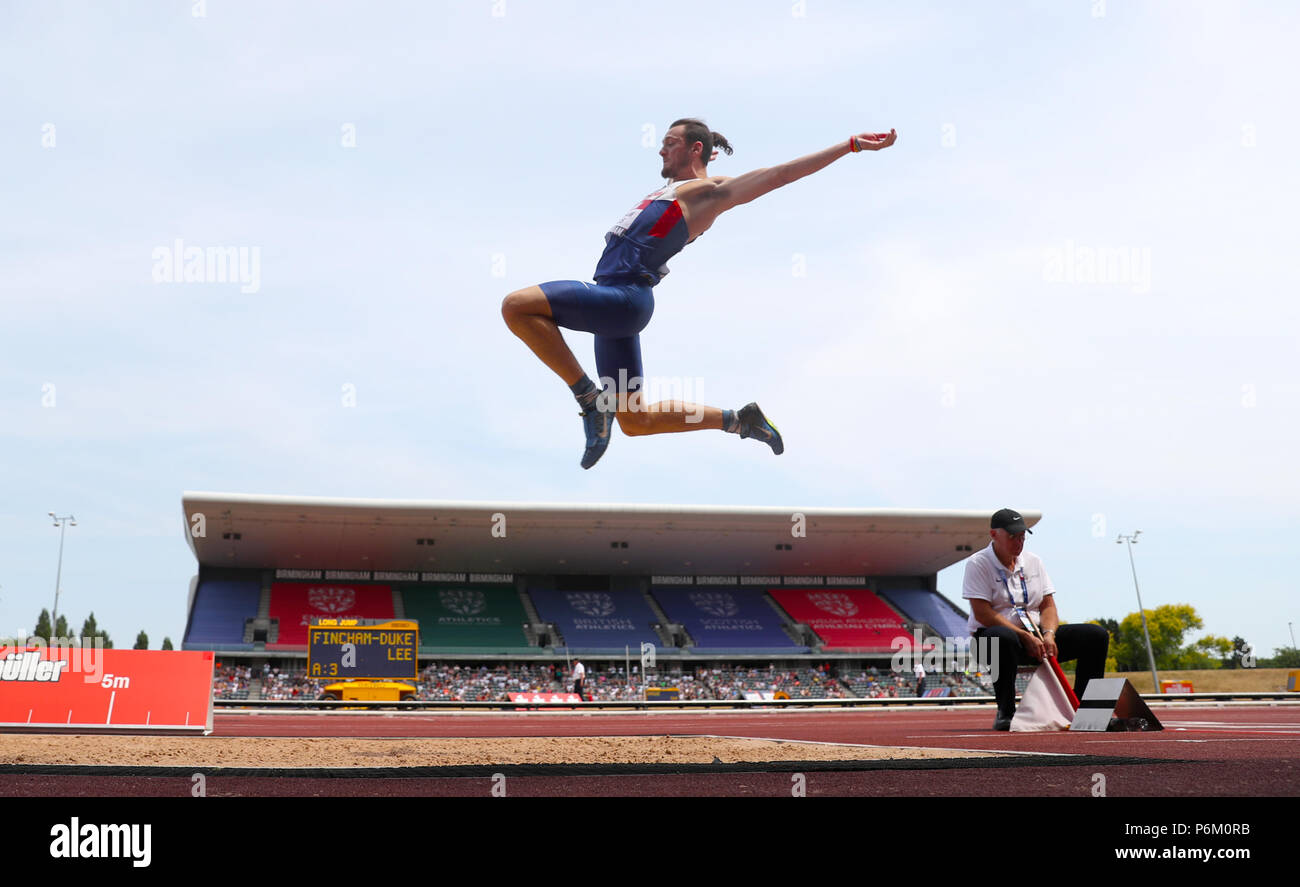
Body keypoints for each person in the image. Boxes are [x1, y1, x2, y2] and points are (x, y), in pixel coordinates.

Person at [502, 118, 898, 468]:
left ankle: (590, 399)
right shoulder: (666, 192)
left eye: (670, 141)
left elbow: (779, 175)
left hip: (624, 300)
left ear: (696, 148)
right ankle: (740, 420)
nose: (661, 148)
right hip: (615, 311)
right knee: (636, 421)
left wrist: (850, 145)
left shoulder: (708, 192)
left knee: (517, 307)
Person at [962, 508, 1109, 731]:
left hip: (1037, 634)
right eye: (1012, 536)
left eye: (1022, 536)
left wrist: (1049, 634)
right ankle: (1006, 712)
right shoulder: (977, 563)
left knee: (1095, 635)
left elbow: (1048, 605)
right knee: (1003, 637)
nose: (1019, 541)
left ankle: (1086, 710)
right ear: (994, 535)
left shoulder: (1033, 562)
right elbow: (982, 613)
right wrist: (1023, 635)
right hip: (990, 639)